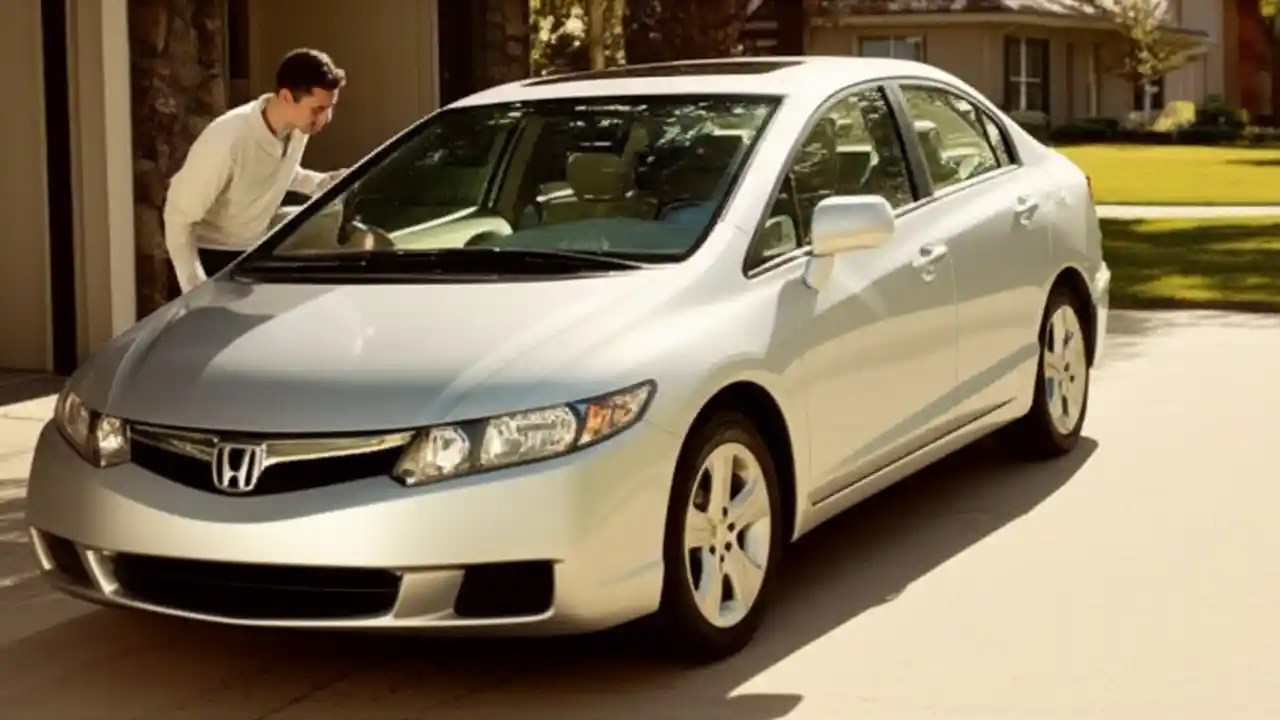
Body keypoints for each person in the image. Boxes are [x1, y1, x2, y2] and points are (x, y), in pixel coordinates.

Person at [163, 48, 348, 293]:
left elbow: (276, 172)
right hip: (207, 260)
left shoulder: (296, 128)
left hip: (251, 254)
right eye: (318, 109)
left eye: (329, 107)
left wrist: (324, 183)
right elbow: (178, 216)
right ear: (286, 97)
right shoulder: (229, 139)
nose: (326, 119)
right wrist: (196, 289)